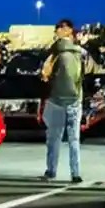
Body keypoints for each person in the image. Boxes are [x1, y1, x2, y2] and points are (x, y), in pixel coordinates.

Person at [40, 19, 84, 183]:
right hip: (75, 99)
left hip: (57, 100)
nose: (57, 30)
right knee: (74, 139)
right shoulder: (80, 53)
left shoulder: (55, 53)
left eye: (58, 28)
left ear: (66, 30)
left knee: (54, 138)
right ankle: (76, 173)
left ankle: (51, 171)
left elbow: (45, 75)